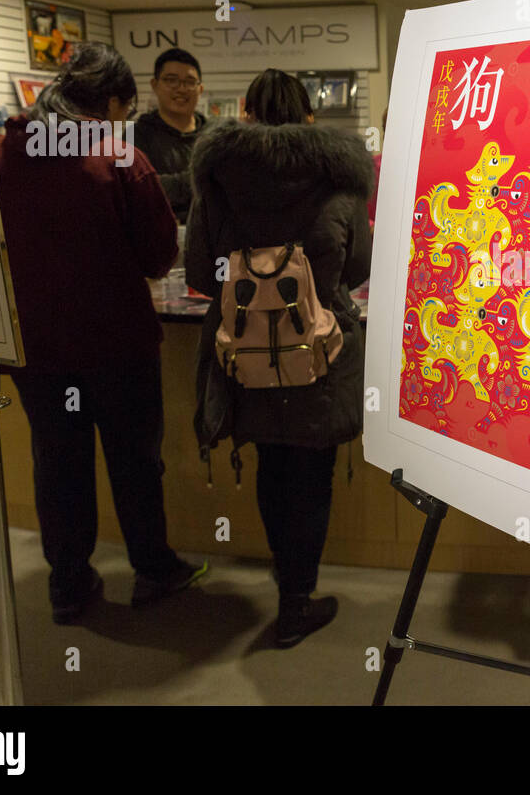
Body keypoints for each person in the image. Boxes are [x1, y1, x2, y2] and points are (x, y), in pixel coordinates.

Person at [0, 42, 207, 624]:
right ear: (110, 103)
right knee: (135, 462)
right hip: (116, 343)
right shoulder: (119, 158)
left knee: (58, 463)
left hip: (36, 347)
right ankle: (153, 568)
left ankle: (67, 582)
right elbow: (159, 255)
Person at [186, 68, 373, 648]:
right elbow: (358, 269)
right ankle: (298, 598)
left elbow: (201, 273)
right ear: (309, 116)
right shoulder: (339, 179)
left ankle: (285, 580)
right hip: (319, 351)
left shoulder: (217, 180)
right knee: (312, 473)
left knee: (271, 465)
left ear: (246, 114)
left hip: (248, 353)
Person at [133, 48, 207, 220]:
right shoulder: (136, 134)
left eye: (190, 82)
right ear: (155, 85)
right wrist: (200, 180)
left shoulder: (215, 135)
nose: (181, 89)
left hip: (210, 232)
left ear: (200, 89)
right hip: (158, 231)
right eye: (171, 80)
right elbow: (139, 190)